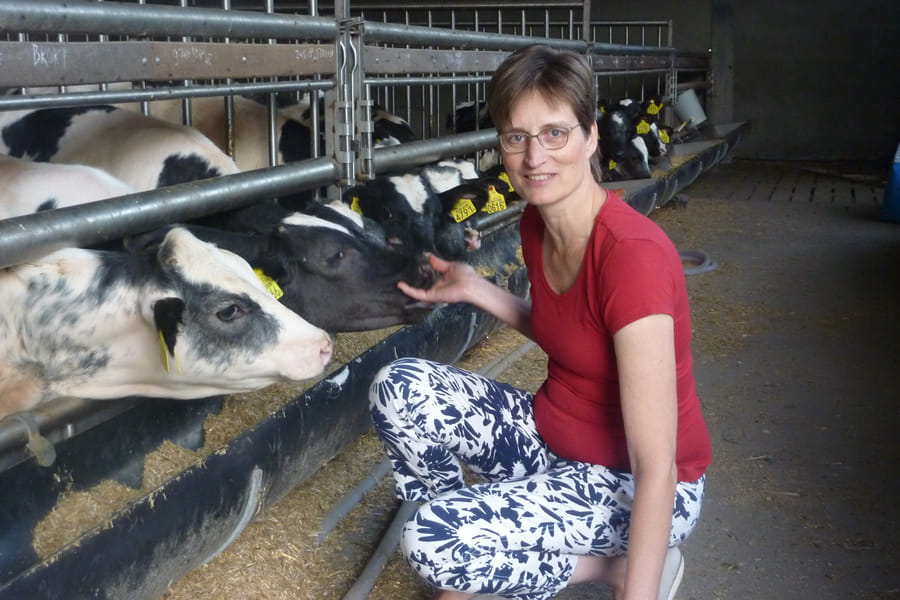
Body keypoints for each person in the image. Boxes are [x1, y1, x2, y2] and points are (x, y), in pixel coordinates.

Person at [368, 44, 711, 600]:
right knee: (398, 387)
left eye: (555, 133)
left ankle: (605, 567)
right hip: (553, 444)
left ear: (591, 135)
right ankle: (471, 548)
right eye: (516, 137)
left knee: (430, 540)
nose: (534, 158)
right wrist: (475, 288)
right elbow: (573, 336)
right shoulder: (537, 223)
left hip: (640, 488)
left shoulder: (632, 258)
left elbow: (657, 467)